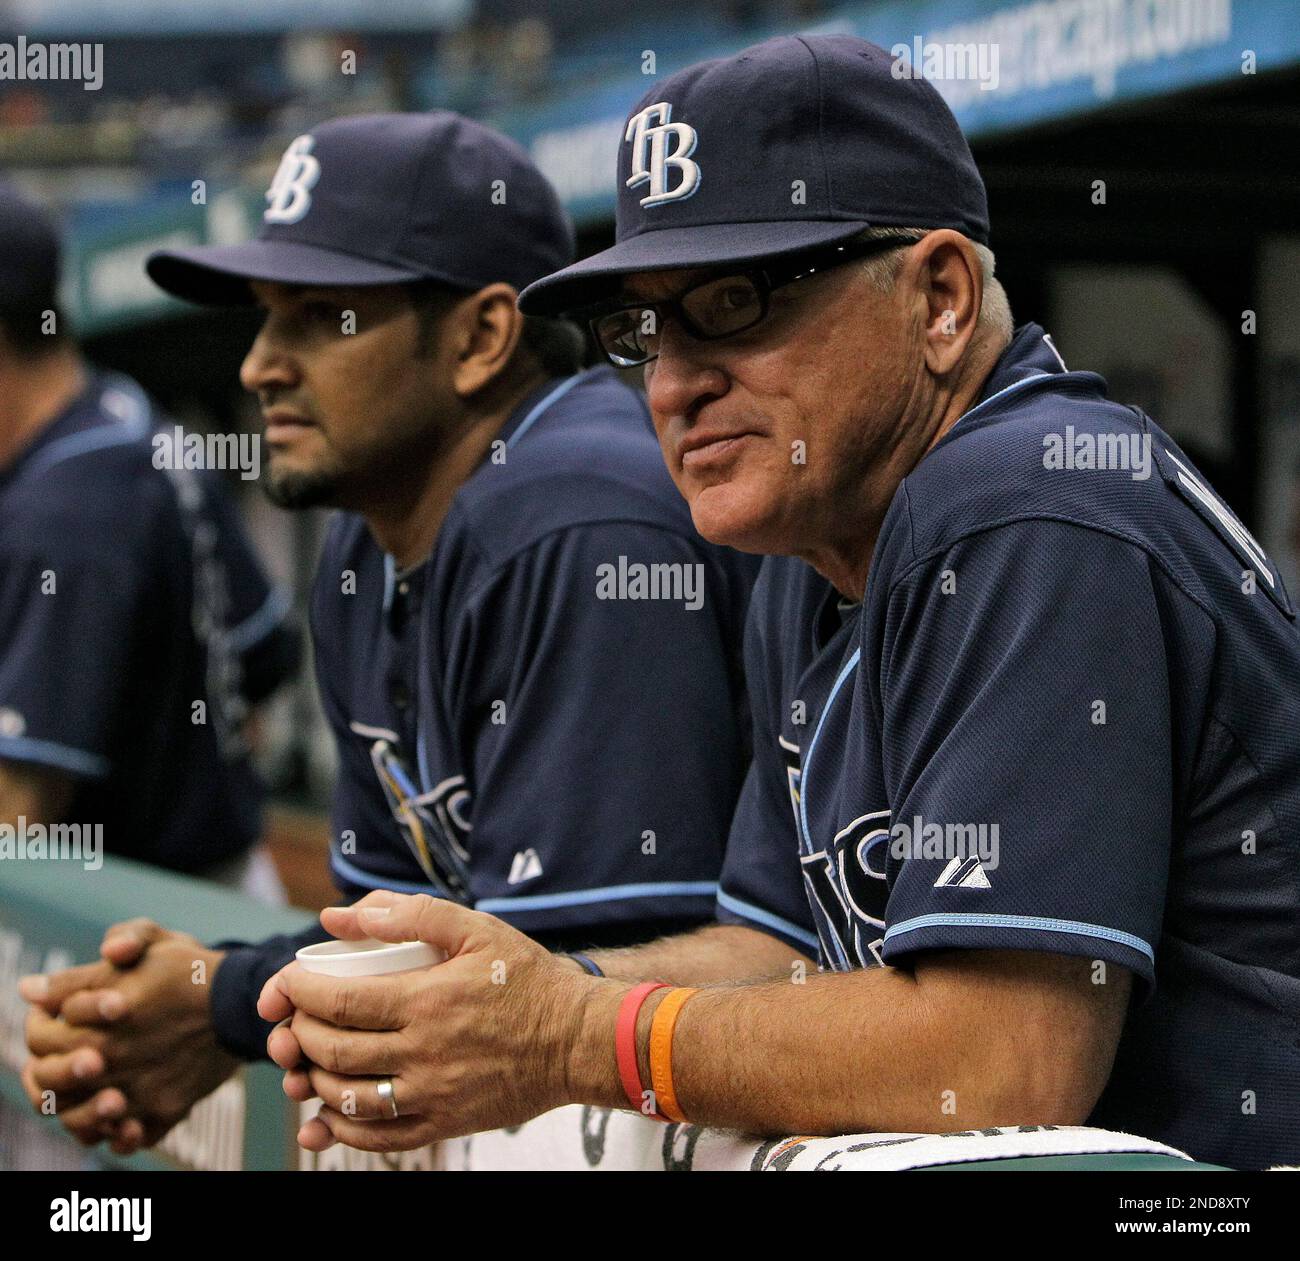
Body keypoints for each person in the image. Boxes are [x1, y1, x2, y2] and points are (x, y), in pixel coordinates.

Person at [252, 38, 1299, 1171]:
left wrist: (570, 1034)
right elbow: (782, 945)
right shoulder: (813, 550)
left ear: (940, 298)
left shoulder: (1026, 499)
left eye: (734, 302)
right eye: (645, 332)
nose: (670, 383)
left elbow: (1003, 1053)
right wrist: (501, 1007)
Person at [19, 112, 757, 1155]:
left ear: (481, 339)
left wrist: (226, 998)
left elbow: (566, 985)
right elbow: (398, 928)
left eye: (324, 316)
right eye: (266, 318)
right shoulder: (367, 546)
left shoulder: (577, 517)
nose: (260, 367)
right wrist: (212, 997)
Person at [0, 180, 297, 899]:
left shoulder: (66, 509)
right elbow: (260, 669)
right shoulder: (124, 413)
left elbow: (18, 817)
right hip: (213, 889)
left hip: (139, 923)